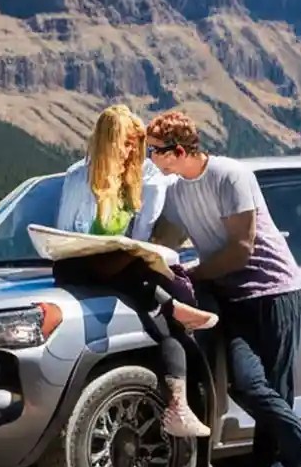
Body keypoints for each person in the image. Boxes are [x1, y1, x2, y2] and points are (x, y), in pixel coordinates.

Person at [144, 109, 301, 467]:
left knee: (274, 386)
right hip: (234, 298)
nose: (152, 160)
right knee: (247, 384)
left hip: (275, 292)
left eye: (155, 153)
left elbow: (242, 247)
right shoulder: (178, 192)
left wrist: (194, 273)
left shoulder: (230, 175)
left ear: (179, 151)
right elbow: (161, 240)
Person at [54, 104, 218, 437]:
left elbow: (141, 235)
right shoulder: (77, 177)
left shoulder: (140, 179)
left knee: (166, 327)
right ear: (107, 141)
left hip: (121, 269)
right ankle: (174, 307)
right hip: (78, 265)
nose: (132, 152)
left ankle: (178, 407)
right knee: (147, 286)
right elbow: (62, 236)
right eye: (125, 143)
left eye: (136, 144)